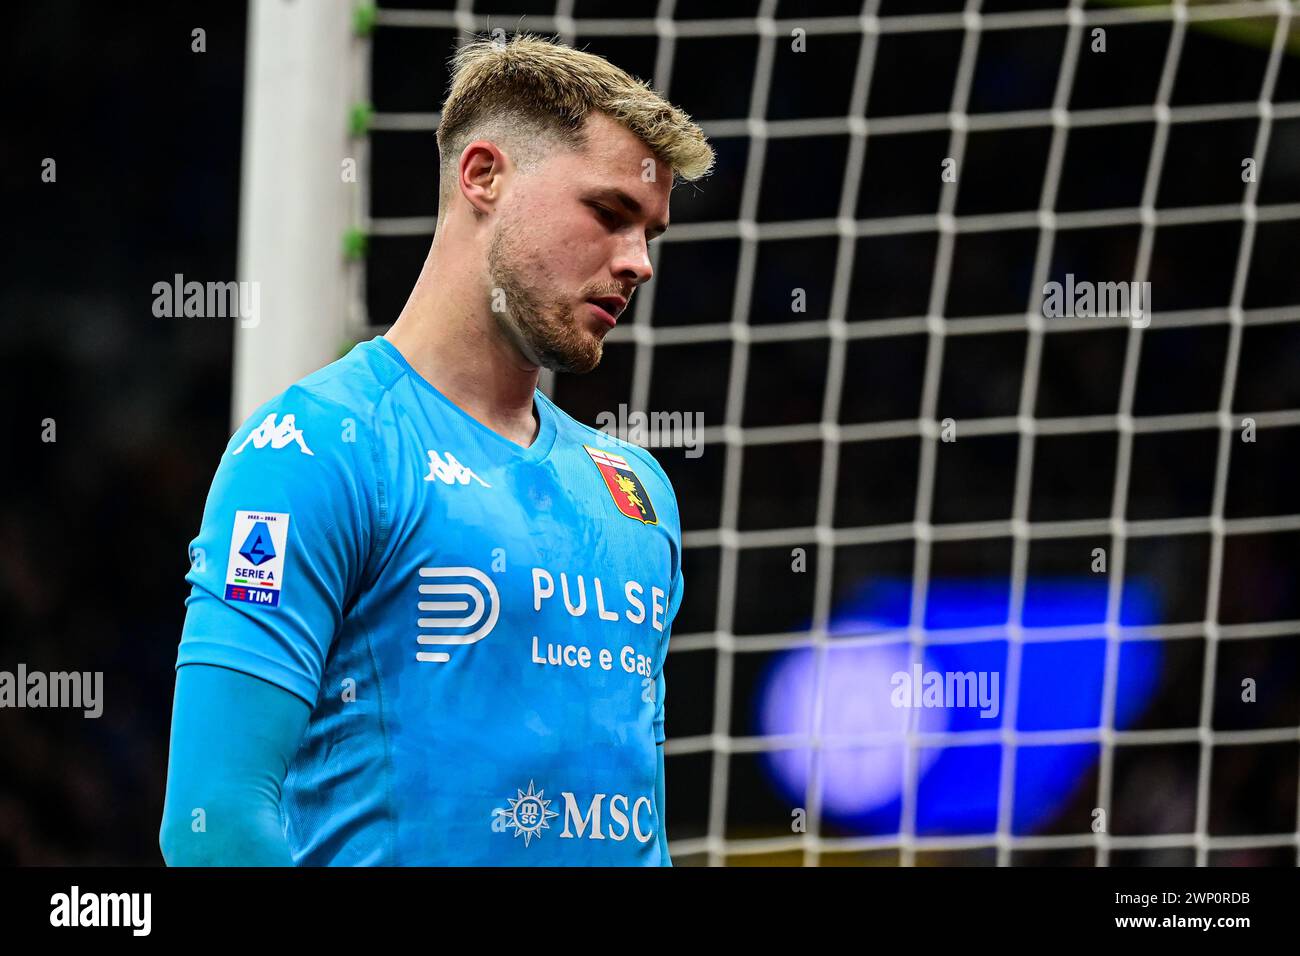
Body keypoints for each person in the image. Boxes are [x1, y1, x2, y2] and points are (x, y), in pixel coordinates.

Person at [159, 33, 714, 865]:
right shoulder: (313, 450)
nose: (636, 261)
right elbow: (214, 823)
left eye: (651, 234)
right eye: (608, 214)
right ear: (483, 175)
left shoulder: (634, 488)